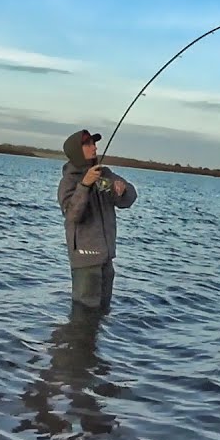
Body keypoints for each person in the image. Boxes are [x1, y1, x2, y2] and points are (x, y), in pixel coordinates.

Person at [57, 128, 137, 310]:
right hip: (85, 261)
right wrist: (85, 184)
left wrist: (122, 189)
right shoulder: (68, 182)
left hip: (106, 259)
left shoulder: (104, 173)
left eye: (94, 143)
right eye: (88, 144)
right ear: (77, 150)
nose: (94, 147)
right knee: (83, 315)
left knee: (102, 313)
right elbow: (72, 215)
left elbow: (129, 199)